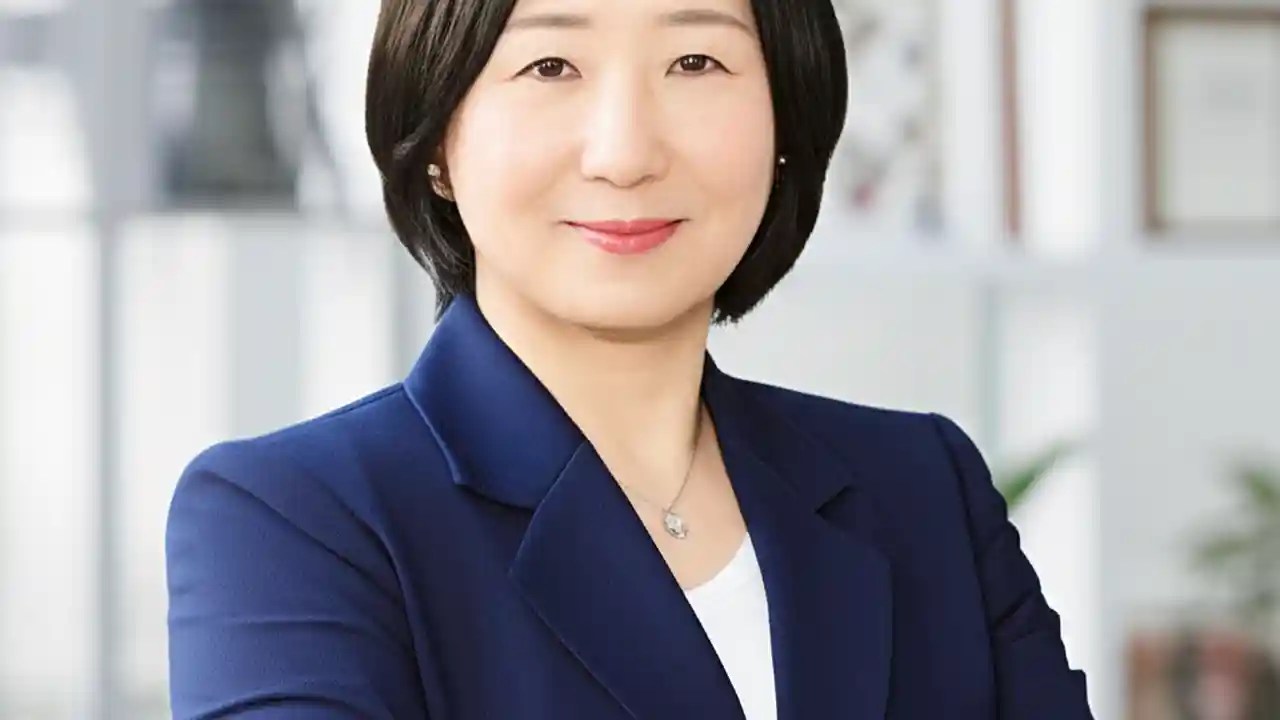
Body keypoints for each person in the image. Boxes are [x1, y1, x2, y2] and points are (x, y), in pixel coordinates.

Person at [165, 0, 1095, 717]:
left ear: (785, 122)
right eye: (551, 64)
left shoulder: (923, 488)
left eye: (696, 61)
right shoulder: (296, 521)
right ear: (438, 137)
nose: (624, 152)